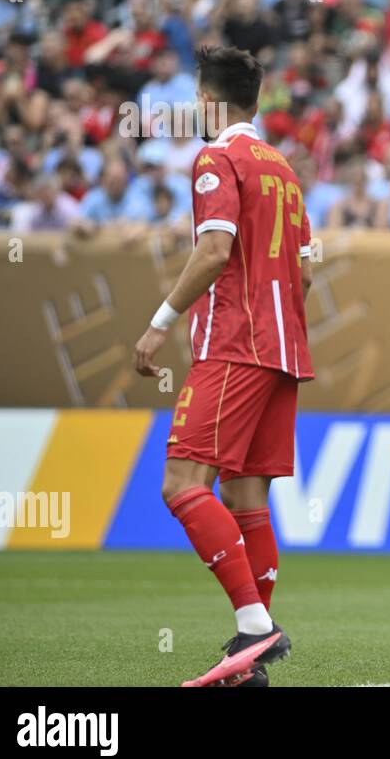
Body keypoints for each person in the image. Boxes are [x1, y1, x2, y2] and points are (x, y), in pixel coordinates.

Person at [132, 46, 315, 688]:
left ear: (208, 102)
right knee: (246, 496)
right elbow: (308, 268)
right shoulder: (284, 168)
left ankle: (255, 628)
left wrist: (159, 323)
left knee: (182, 483)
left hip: (235, 342)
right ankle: (252, 655)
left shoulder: (216, 157)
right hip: (285, 350)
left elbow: (214, 251)